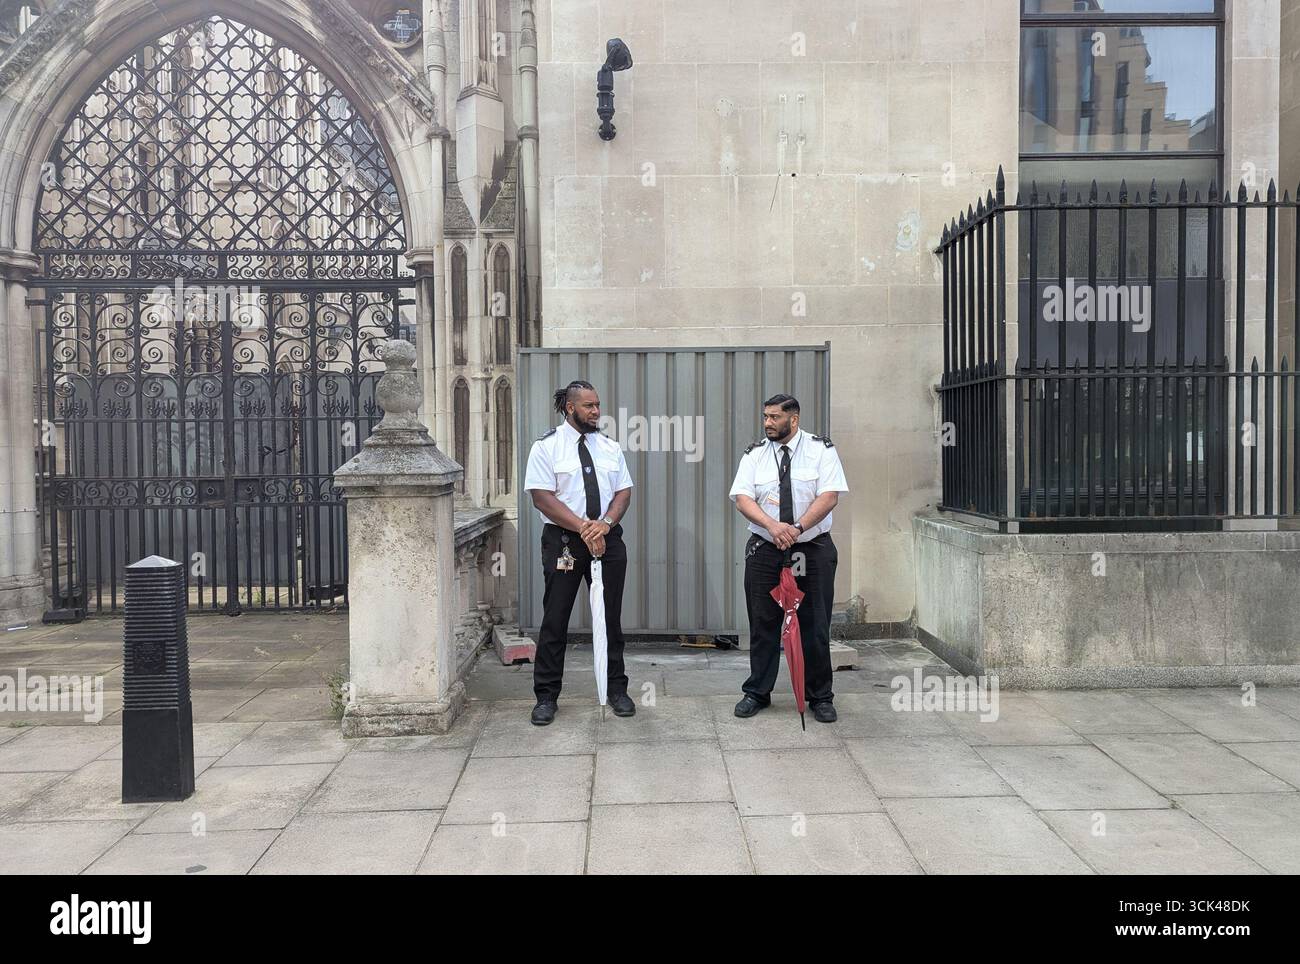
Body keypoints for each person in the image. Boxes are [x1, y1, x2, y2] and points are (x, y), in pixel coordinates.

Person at [728, 394, 848, 723]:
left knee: (814, 624)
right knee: (763, 622)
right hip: (766, 549)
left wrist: (796, 529)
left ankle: (820, 696)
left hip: (810, 548)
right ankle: (757, 692)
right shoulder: (755, 455)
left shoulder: (821, 450)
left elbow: (830, 495)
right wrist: (773, 526)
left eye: (774, 417)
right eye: (765, 416)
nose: (767, 422)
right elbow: (742, 498)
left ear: (793, 420)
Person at [523, 380, 635, 725]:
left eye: (598, 405)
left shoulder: (609, 447)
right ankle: (546, 696)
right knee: (555, 620)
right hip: (565, 543)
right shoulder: (547, 447)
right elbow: (541, 497)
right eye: (589, 406)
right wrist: (584, 528)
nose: (596, 411)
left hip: (607, 540)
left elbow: (623, 491)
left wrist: (605, 523)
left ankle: (616, 689)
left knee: (610, 618)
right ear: (570, 408)